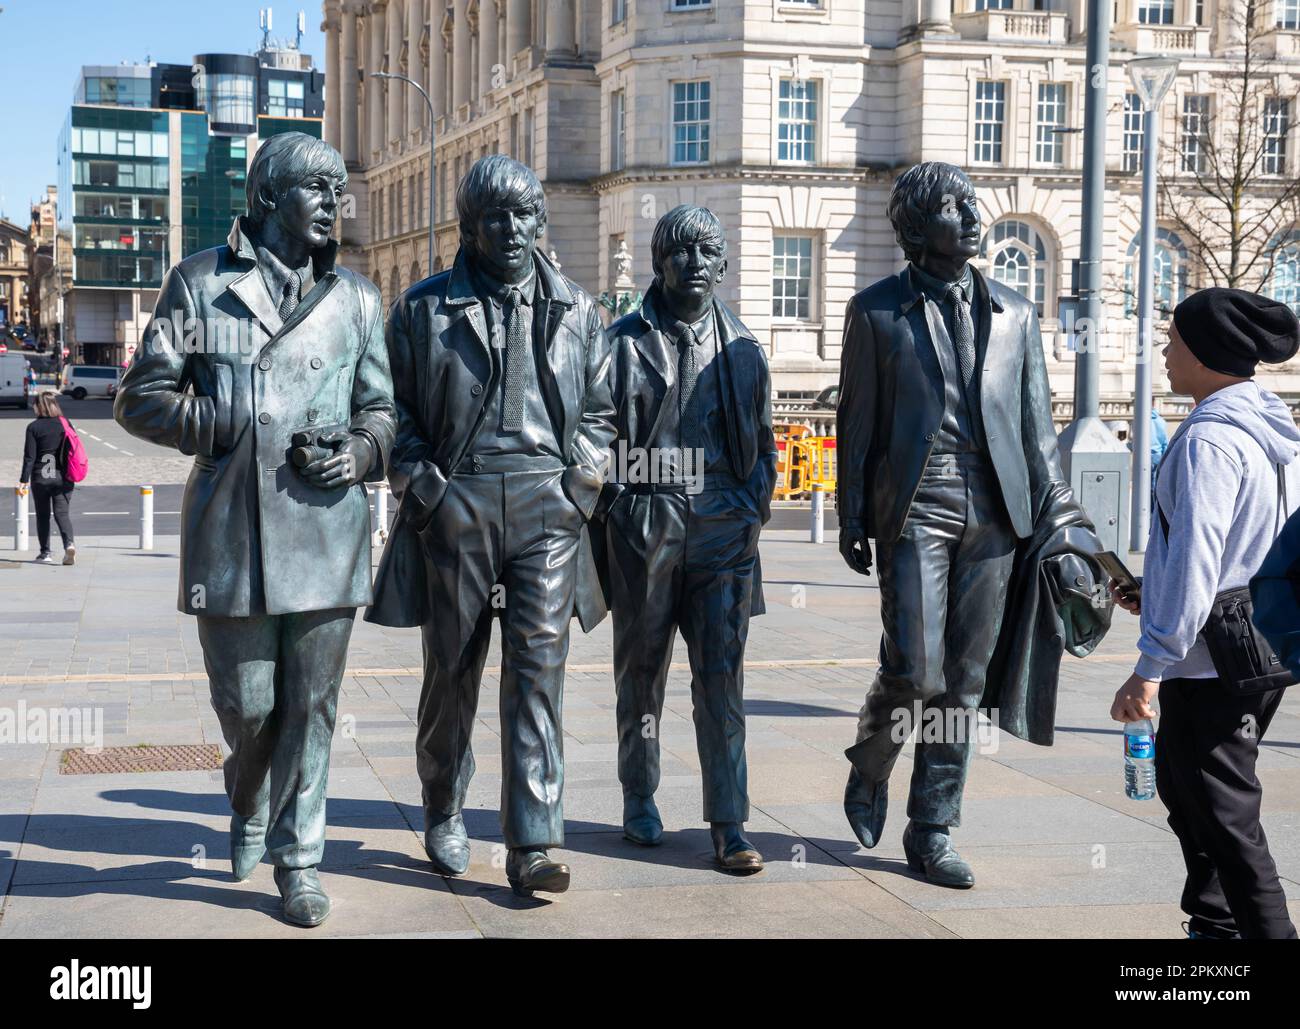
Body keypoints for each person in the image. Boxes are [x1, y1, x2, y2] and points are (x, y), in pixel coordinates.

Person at [114, 132, 396, 928]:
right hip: (232, 540)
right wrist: (211, 416)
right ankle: (249, 798)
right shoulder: (200, 285)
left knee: (313, 705)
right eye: (319, 192)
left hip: (326, 533)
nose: (335, 208)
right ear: (269, 199)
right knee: (249, 706)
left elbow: (383, 410)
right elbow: (139, 396)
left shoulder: (357, 301)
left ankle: (299, 859)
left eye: (340, 194)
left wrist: (360, 450)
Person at [836, 162, 1096, 888]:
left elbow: (1039, 434)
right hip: (916, 503)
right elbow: (856, 421)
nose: (972, 215)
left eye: (970, 202)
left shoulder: (1015, 312)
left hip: (997, 512)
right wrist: (852, 511)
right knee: (915, 668)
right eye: (953, 206)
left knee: (965, 682)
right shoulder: (877, 310)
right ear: (918, 227)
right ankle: (871, 760)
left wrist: (1067, 529)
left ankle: (933, 825)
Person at [366, 155, 616, 899]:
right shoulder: (422, 309)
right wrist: (424, 486)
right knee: (453, 671)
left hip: (549, 508)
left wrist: (582, 485)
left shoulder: (579, 308)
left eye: (523, 215)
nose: (511, 230)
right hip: (460, 501)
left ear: (542, 221)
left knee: (540, 673)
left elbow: (602, 411)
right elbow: (393, 413)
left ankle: (533, 841)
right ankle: (443, 800)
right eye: (494, 217)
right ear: (469, 226)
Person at [1109, 287, 1299, 941]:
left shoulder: (1208, 441)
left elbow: (1197, 560)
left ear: (1206, 352)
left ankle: (1259, 933)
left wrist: (1149, 665)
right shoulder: (1272, 433)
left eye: (1175, 339)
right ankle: (1217, 922)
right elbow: (1243, 548)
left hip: (1207, 660)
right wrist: (1149, 586)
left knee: (1224, 812)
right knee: (1188, 791)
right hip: (1259, 642)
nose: (1164, 349)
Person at [599, 205, 776, 871]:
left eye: (708, 251)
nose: (695, 263)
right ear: (659, 261)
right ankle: (638, 793)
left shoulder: (745, 349)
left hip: (723, 539)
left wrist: (750, 505)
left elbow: (763, 446)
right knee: (641, 678)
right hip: (645, 534)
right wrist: (625, 505)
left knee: (721, 683)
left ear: (723, 264)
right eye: (681, 251)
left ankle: (728, 820)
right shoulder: (620, 343)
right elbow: (594, 438)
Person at [18, 389, 76, 565]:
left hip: (41, 477)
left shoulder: (33, 427)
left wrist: (23, 480)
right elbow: (72, 451)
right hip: (63, 477)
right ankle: (69, 545)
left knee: (43, 515)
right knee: (62, 514)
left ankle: (45, 553)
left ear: (38, 407)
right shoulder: (65, 424)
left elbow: (29, 457)